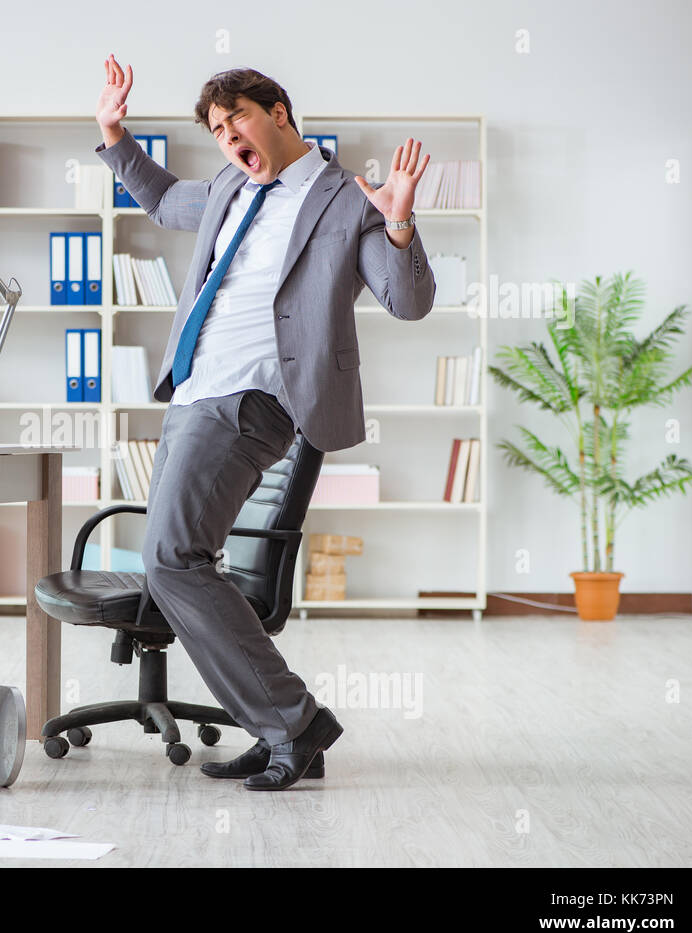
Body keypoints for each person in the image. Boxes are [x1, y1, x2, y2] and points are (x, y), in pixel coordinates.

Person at [93, 55, 436, 790]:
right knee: (180, 559)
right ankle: (278, 724)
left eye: (236, 120)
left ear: (278, 112)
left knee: (172, 556)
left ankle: (293, 720)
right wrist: (114, 132)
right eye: (217, 130)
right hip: (194, 392)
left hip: (252, 397)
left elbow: (407, 303)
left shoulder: (349, 198)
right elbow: (160, 202)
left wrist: (399, 220)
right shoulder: (228, 184)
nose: (227, 139)